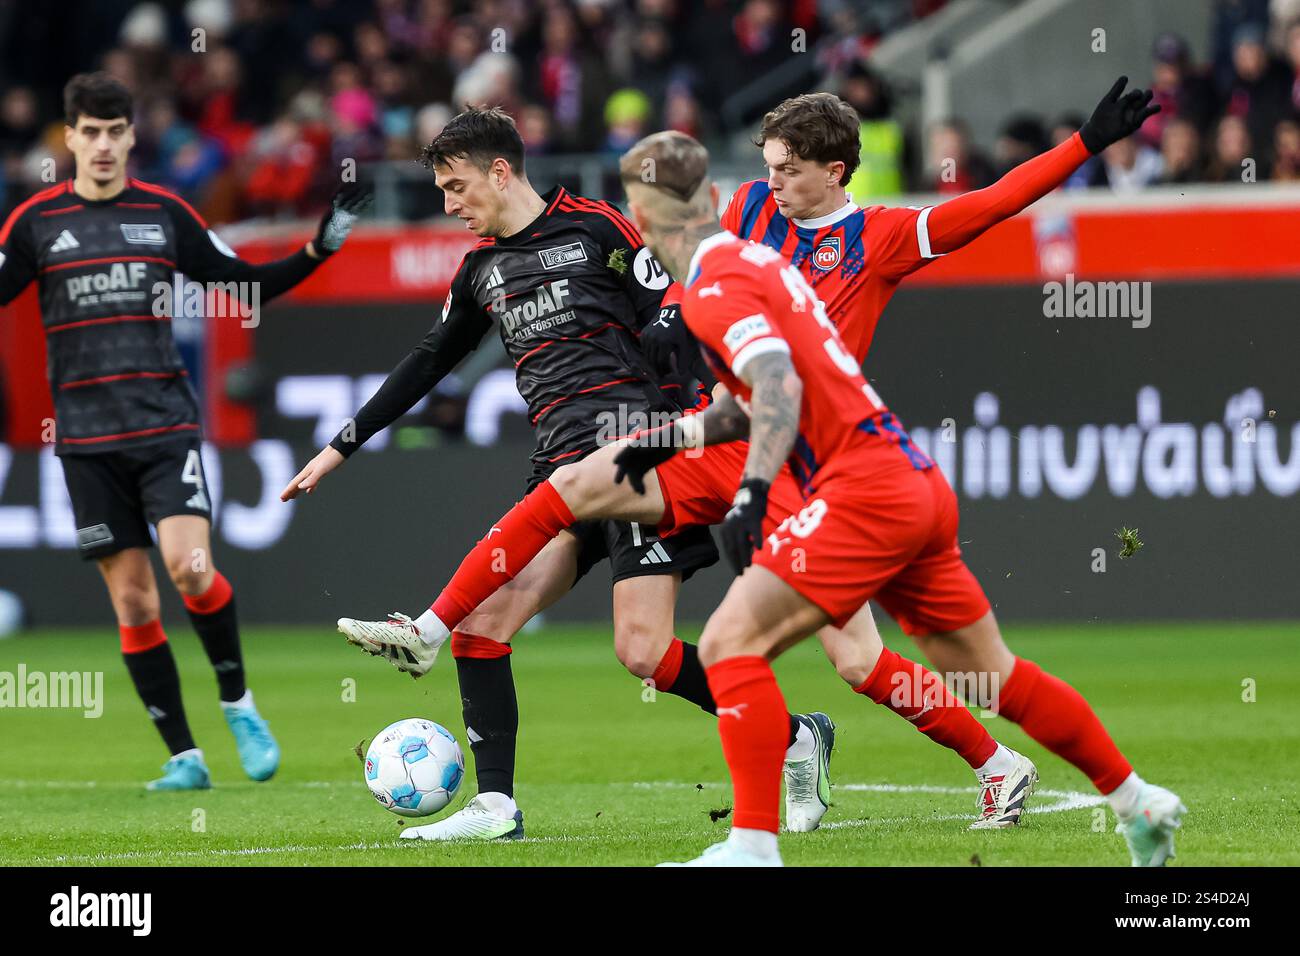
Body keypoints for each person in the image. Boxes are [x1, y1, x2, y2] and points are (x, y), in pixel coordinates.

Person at [345, 81, 1190, 863]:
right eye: (766, 170)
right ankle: (435, 628)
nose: (770, 185)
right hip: (747, 442)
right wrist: (672, 415)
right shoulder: (746, 219)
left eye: (788, 170)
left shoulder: (877, 238)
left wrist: (1081, 147)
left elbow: (983, 209)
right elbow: (721, 349)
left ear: (834, 170)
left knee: (852, 660)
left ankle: (951, 773)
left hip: (817, 467)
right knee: (587, 493)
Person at [617, 129, 1186, 867]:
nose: (776, 182)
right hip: (907, 477)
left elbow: (778, 386)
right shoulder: (754, 248)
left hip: (850, 489)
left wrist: (751, 490)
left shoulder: (738, 275)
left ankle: (753, 848)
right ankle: (1136, 799)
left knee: (731, 645)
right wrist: (668, 439)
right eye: (769, 170)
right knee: (994, 675)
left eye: (635, 205)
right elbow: (755, 389)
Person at [281, 106, 835, 840]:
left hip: (641, 463)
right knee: (486, 623)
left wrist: (693, 423)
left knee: (642, 652)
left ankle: (795, 738)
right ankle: (496, 806)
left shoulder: (600, 228)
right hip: (560, 469)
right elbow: (428, 361)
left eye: (455, 187)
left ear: (500, 171)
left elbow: (676, 311)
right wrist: (342, 444)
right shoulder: (481, 272)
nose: (449, 206)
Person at [0, 72, 367, 790]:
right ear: (69, 137)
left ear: (132, 136)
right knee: (133, 600)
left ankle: (239, 704)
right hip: (85, 441)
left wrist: (320, 250)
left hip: (164, 427)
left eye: (115, 131)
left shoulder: (167, 214)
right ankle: (184, 756)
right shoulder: (35, 223)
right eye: (90, 132)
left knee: (190, 569)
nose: (103, 145)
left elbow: (246, 285)